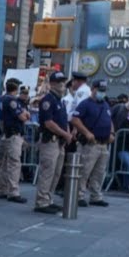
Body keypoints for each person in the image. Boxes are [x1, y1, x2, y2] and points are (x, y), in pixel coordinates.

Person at [32, 70, 76, 213]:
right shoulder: (48, 100)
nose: (62, 84)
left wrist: (68, 134)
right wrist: (65, 134)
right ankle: (41, 201)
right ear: (52, 84)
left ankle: (48, 198)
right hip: (50, 141)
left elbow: (63, 121)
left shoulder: (60, 101)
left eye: (63, 82)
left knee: (56, 173)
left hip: (60, 142)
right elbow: (48, 123)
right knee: (48, 171)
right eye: (59, 82)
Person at [69, 80, 114, 206]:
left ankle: (96, 196)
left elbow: (109, 121)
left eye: (103, 91)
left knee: (99, 172)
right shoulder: (85, 104)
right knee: (84, 171)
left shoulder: (105, 104)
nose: (101, 93)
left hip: (103, 143)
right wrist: (86, 133)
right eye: (99, 90)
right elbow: (75, 119)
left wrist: (112, 133)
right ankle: (79, 195)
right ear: (93, 89)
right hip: (90, 144)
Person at [0, 78, 30, 203]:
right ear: (16, 88)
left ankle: (1, 189)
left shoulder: (0, 99)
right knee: (14, 164)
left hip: (4, 134)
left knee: (3, 163)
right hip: (13, 135)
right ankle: (13, 192)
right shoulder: (12, 101)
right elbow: (23, 117)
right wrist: (25, 113)